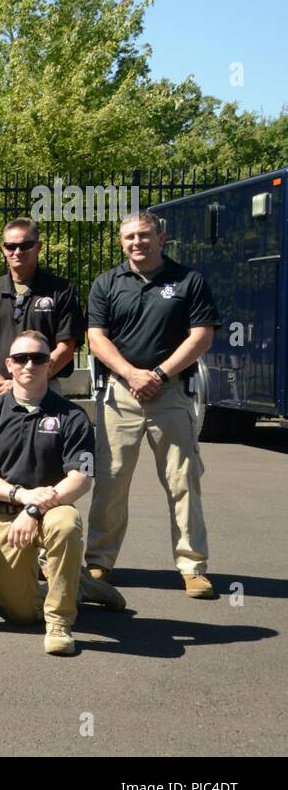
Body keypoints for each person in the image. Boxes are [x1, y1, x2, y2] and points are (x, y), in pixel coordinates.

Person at [85, 211, 220, 599]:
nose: (136, 242)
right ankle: (99, 561)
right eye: (129, 237)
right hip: (120, 395)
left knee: (183, 481)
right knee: (110, 483)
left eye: (144, 235)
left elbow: (201, 336)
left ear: (162, 238)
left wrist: (157, 375)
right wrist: (131, 374)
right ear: (121, 242)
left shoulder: (188, 281)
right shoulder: (107, 283)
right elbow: (96, 338)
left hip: (171, 393)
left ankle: (193, 566)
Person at [0, 332, 126, 655]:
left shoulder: (71, 415)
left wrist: (35, 509)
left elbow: (81, 478)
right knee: (20, 613)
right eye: (21, 358)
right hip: (5, 513)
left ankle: (60, 621)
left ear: (49, 364)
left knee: (67, 524)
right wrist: (22, 497)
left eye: (38, 358)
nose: (29, 365)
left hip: (53, 508)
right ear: (8, 365)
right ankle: (77, 587)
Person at [0, 218, 85, 400]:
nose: (17, 252)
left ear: (39, 247)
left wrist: (26, 381)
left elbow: (66, 348)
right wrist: (0, 383)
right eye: (11, 246)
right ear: (3, 248)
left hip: (44, 389)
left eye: (26, 245)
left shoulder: (61, 291)